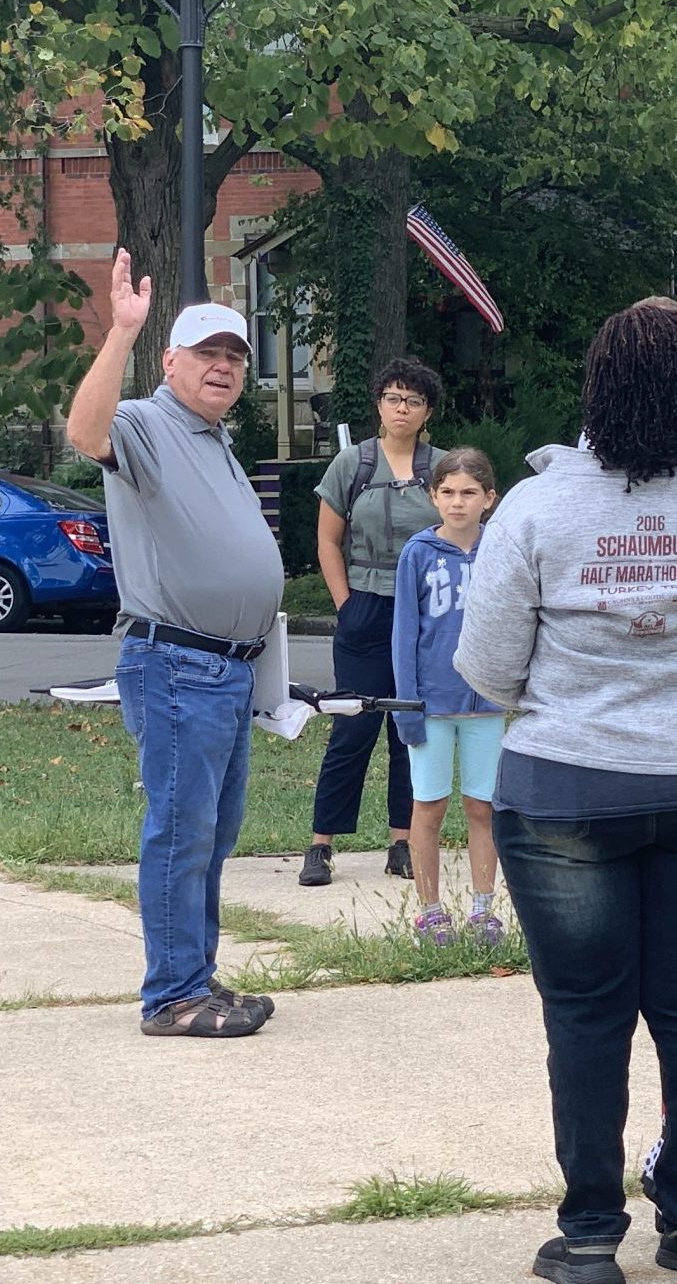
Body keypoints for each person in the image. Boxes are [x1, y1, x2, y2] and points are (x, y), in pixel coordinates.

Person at [454, 300, 677, 1284]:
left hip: (565, 788)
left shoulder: (538, 507)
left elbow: (488, 668)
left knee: (586, 1014)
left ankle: (592, 1233)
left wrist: (577, 707)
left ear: (597, 390)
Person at [66, 250, 284, 1037]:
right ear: (171, 361)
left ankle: (198, 975)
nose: (223, 367)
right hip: (175, 664)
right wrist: (120, 330)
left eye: (234, 355)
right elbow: (85, 430)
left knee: (211, 834)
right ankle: (171, 996)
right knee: (180, 829)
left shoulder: (212, 437)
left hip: (224, 672)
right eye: (207, 353)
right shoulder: (148, 423)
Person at [300, 357, 444, 886]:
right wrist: (345, 604)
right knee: (352, 728)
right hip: (364, 606)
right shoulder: (352, 464)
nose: (401, 408)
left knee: (411, 731)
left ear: (427, 412)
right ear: (378, 405)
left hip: (426, 616)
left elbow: (463, 535)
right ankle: (321, 845)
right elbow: (327, 540)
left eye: (413, 400)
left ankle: (402, 842)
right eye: (392, 397)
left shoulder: (441, 468)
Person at [390, 447, 505, 947]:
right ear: (433, 496)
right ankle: (431, 910)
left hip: (486, 704)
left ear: (489, 498)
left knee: (483, 807)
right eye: (449, 492)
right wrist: (408, 707)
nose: (458, 503)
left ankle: (484, 909)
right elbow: (403, 636)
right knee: (429, 807)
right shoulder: (417, 554)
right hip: (432, 705)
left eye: (469, 493)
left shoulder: (502, 550)